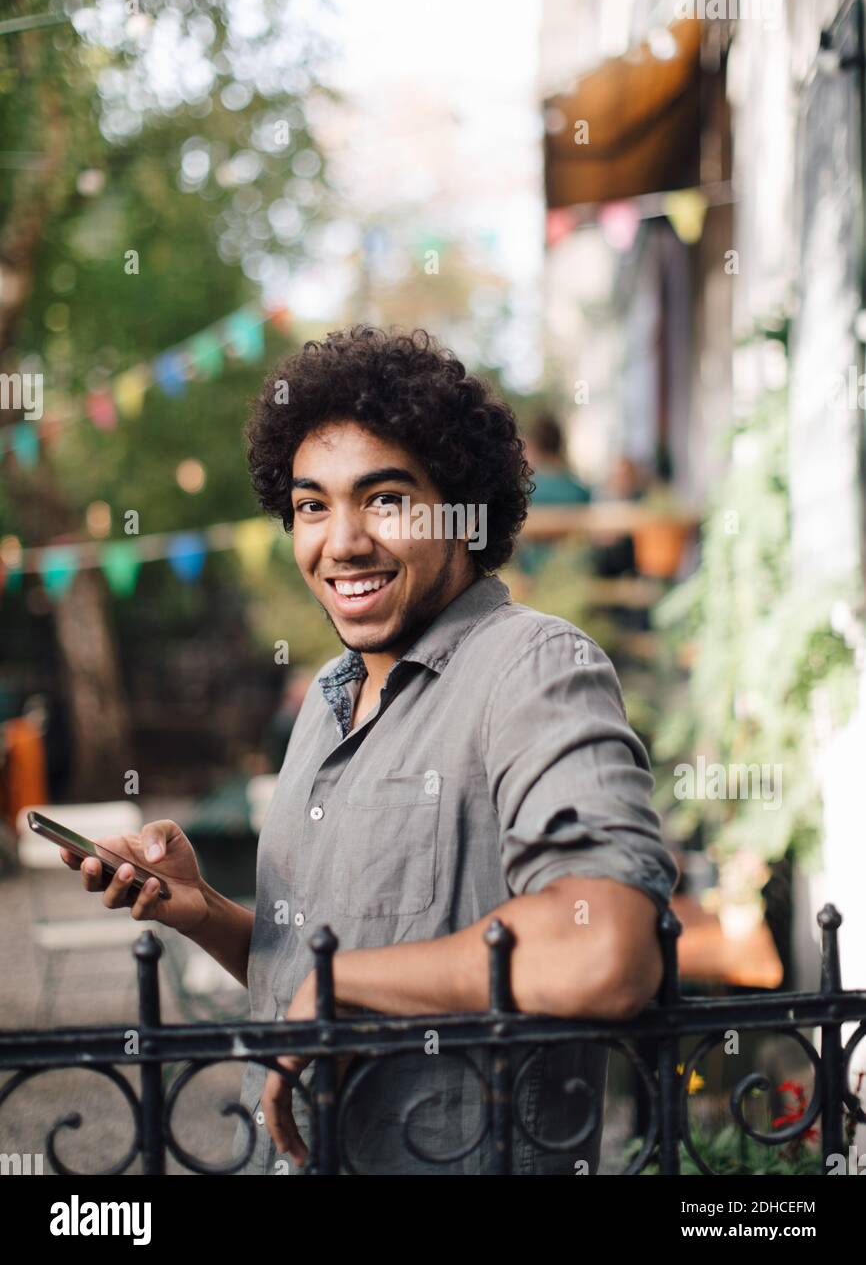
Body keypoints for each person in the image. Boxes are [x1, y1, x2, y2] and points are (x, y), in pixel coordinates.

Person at [60, 325, 678, 1176]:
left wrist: (346, 987)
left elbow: (608, 948)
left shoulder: (532, 669)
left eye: (384, 499)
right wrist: (204, 911)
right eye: (312, 506)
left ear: (463, 511)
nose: (341, 542)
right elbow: (315, 975)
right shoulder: (327, 697)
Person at [518, 412, 591, 578]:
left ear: (534, 447)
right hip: (574, 574)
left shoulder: (524, 492)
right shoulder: (580, 491)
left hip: (533, 577)